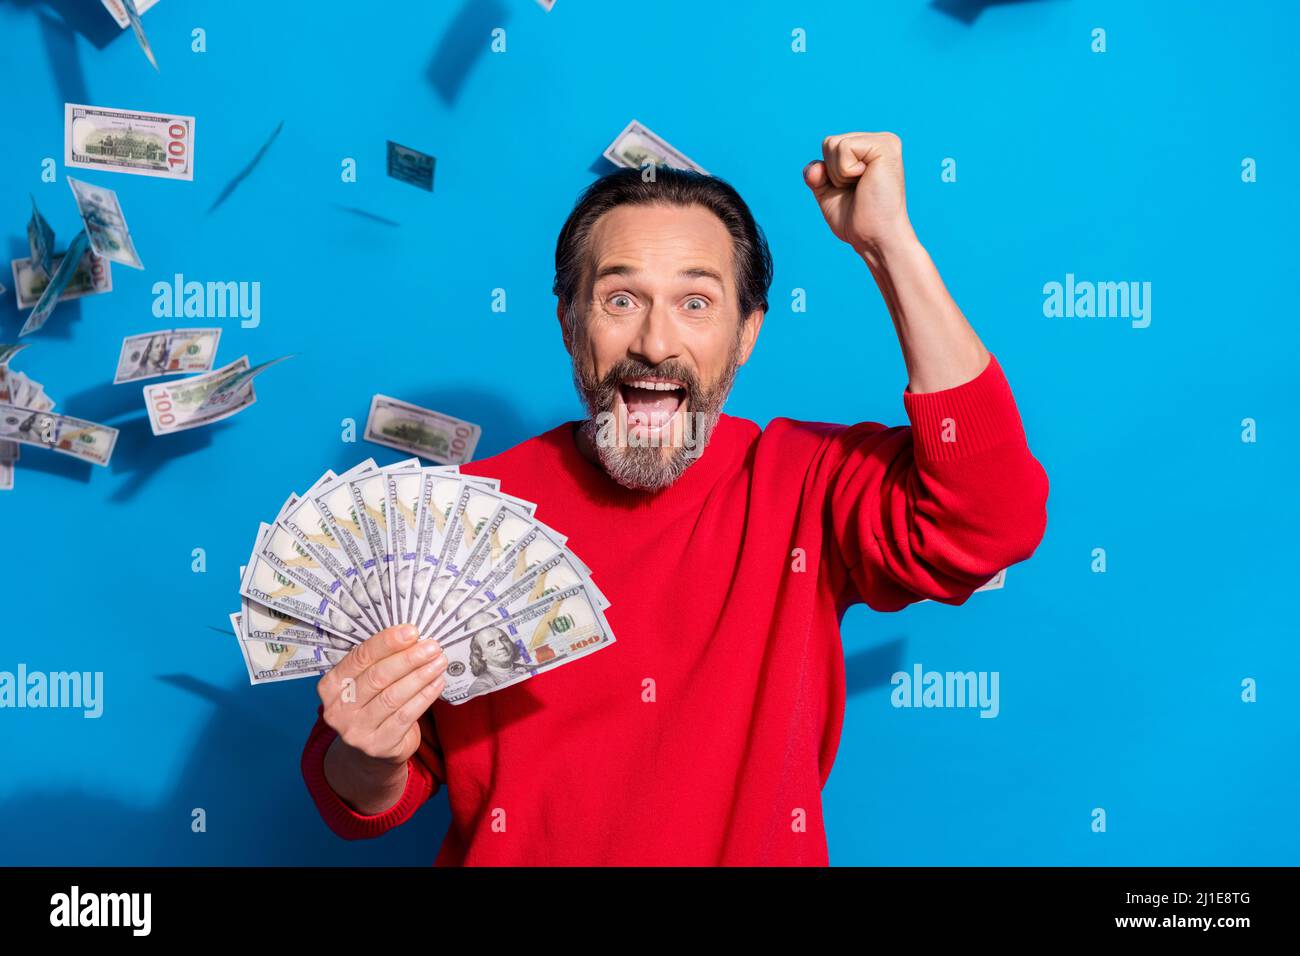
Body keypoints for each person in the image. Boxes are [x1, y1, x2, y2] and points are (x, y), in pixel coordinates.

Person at [300, 132, 1050, 865]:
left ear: (746, 332)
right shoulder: (461, 516)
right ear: (568, 323)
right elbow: (356, 801)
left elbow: (990, 522)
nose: (656, 343)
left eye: (696, 303)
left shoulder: (805, 483)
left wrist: (889, 245)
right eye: (621, 298)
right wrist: (369, 753)